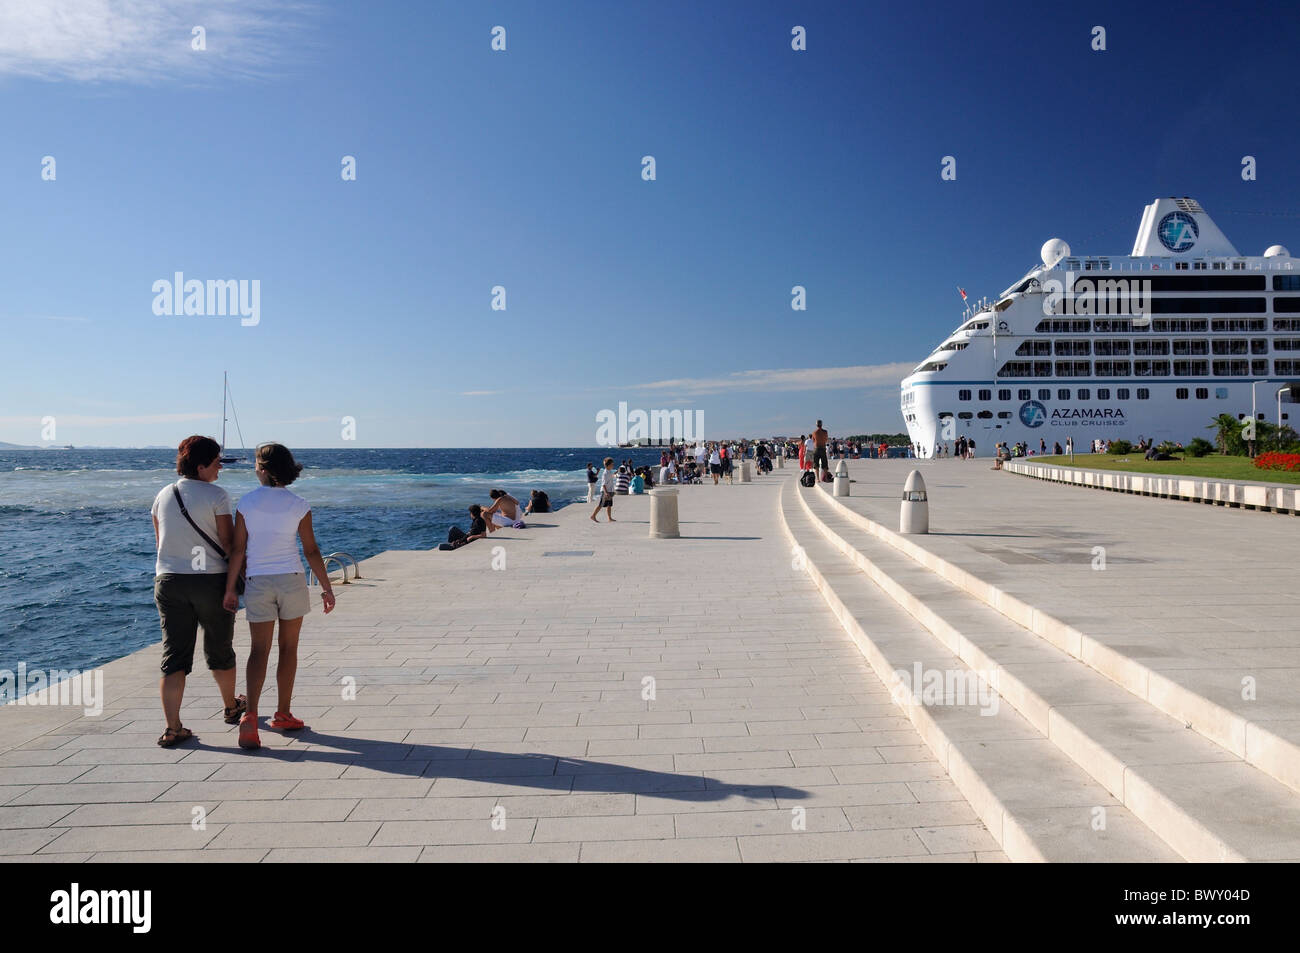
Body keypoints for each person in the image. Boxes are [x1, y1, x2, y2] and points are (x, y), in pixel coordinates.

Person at [223, 443, 335, 751]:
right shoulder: (299, 504)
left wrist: (231, 588)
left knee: (258, 650)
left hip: (258, 581)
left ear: (263, 469)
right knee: (288, 648)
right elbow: (311, 550)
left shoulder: (246, 503)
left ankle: (250, 718)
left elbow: (238, 550)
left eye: (256, 464)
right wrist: (327, 588)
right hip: (292, 580)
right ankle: (283, 713)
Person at [150, 435, 246, 748]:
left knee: (174, 655)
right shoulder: (217, 495)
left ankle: (172, 727)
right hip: (209, 581)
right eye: (217, 461)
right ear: (202, 466)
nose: (220, 466)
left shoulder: (163, 494)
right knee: (219, 646)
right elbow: (229, 544)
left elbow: (160, 541)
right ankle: (231, 707)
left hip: (169, 581)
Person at [590, 457, 617, 522]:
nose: (613, 465)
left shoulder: (610, 471)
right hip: (605, 491)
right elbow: (603, 484)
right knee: (601, 505)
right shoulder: (605, 473)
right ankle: (593, 516)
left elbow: (611, 478)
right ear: (608, 465)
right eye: (612, 464)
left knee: (609, 505)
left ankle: (609, 518)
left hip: (610, 491)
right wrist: (606, 492)